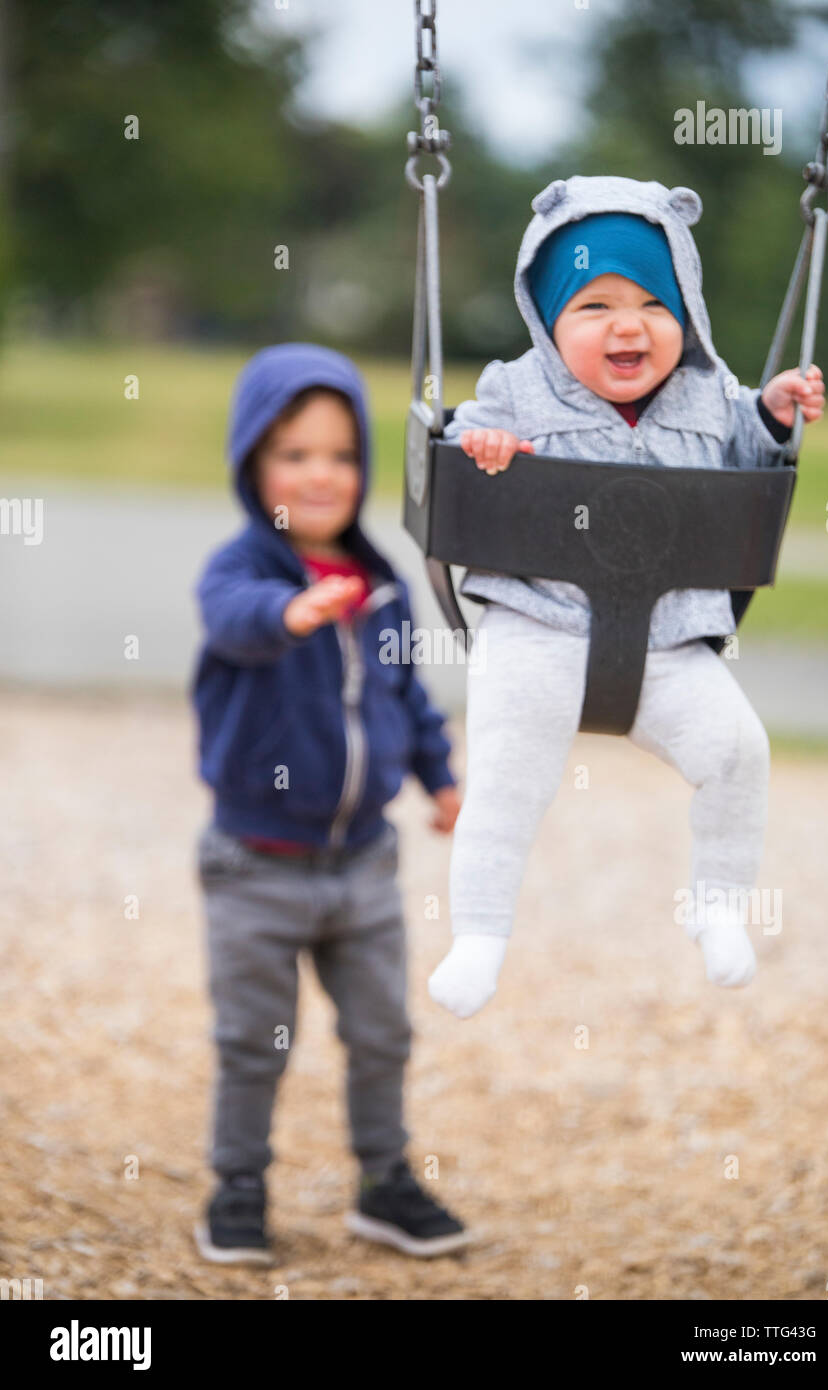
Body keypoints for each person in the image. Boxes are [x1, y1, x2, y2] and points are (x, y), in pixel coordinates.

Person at [427, 175, 825, 1020]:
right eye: (595, 306)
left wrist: (774, 412)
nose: (629, 325)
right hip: (537, 624)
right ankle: (480, 935)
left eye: (654, 303)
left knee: (739, 752)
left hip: (668, 639)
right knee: (505, 775)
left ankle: (718, 906)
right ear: (548, 321)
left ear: (687, 313)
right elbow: (458, 436)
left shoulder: (710, 392)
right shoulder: (517, 388)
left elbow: (753, 447)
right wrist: (482, 442)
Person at [191, 343, 469, 1262]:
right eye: (294, 454)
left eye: (342, 455)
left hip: (363, 864)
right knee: (252, 1041)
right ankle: (238, 1186)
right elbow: (232, 621)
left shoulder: (382, 586)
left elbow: (408, 696)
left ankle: (385, 1182)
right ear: (251, 465)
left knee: (384, 1031)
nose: (321, 475)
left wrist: (440, 778)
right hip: (255, 866)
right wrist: (290, 614)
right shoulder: (241, 572)